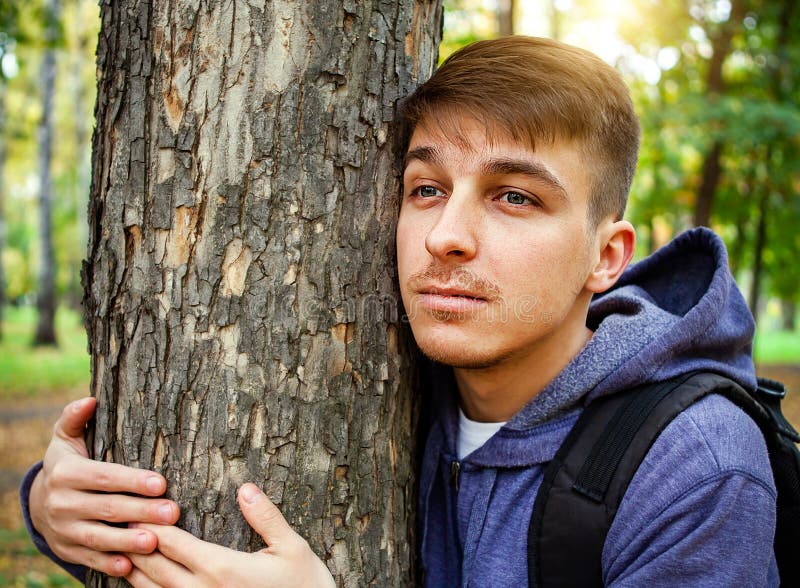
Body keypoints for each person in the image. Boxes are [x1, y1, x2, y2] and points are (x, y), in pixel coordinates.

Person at [20, 36, 778, 586]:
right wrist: (57, 507)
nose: (446, 237)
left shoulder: (696, 467)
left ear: (605, 257)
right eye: (427, 189)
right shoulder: (381, 381)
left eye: (515, 196)